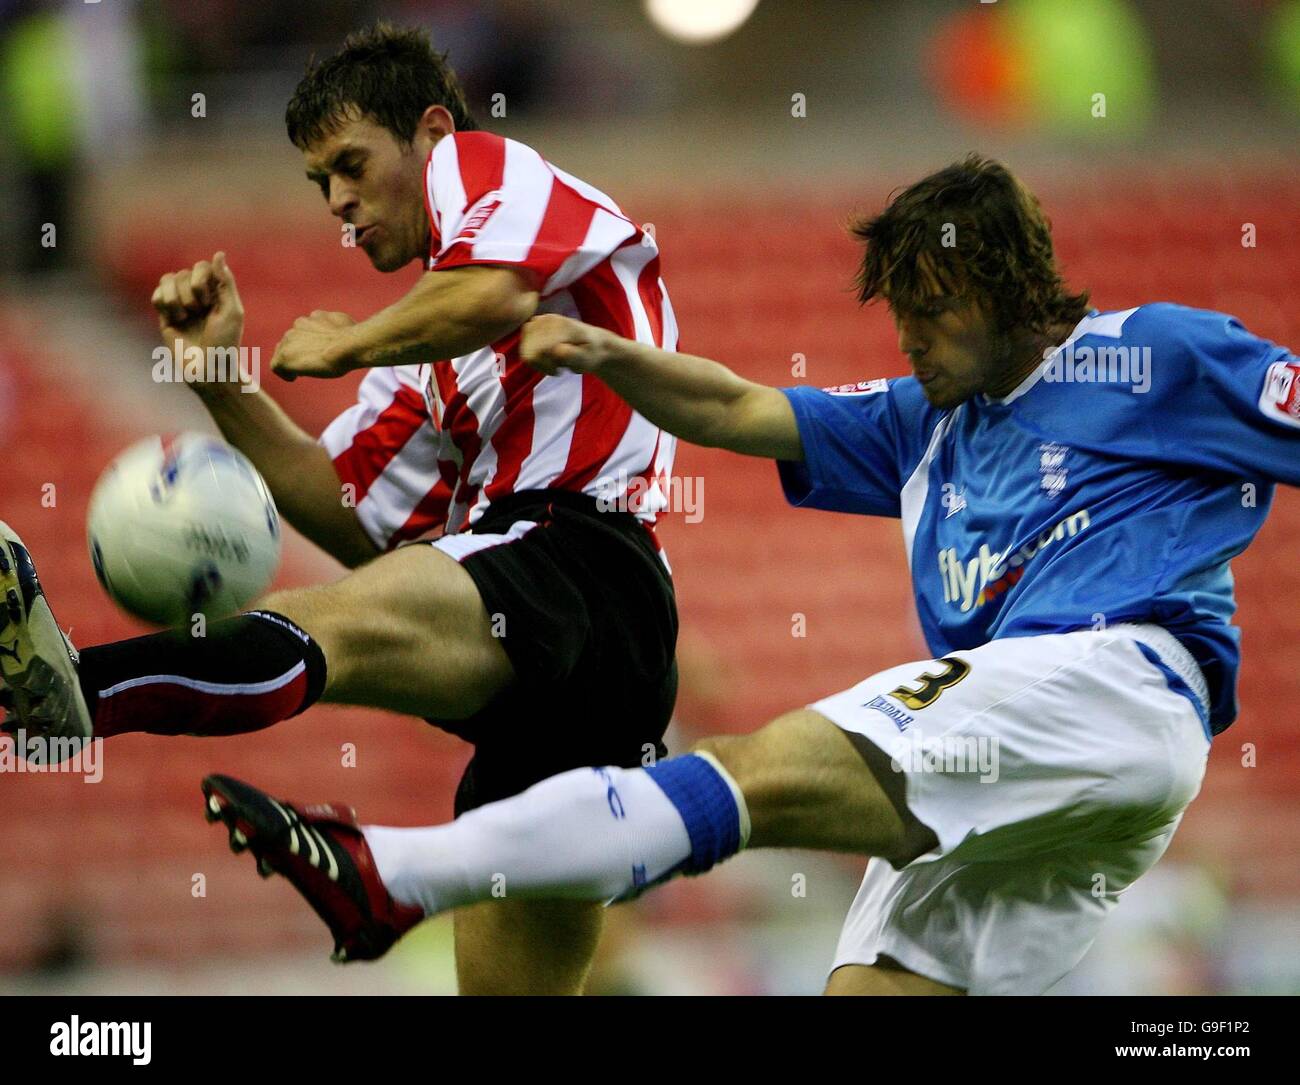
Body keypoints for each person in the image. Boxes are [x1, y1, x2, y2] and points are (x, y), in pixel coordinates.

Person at [196, 155, 1298, 995]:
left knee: (755, 772)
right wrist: (609, 355)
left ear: (1002, 280)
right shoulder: (921, 422)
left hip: (1112, 677)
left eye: (928, 305)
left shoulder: (1152, 353)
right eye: (897, 312)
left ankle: (396, 873)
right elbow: (736, 407)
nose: (906, 336)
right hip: (1046, 765)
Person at [0, 23, 681, 995]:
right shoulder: (431, 357)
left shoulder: (496, 175)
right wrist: (220, 382)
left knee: (327, 628)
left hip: (584, 568)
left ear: (433, 133)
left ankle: (81, 693)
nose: (339, 204)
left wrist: (350, 342)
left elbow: (492, 292)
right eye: (321, 183)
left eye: (352, 166)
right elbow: (353, 519)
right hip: (557, 682)